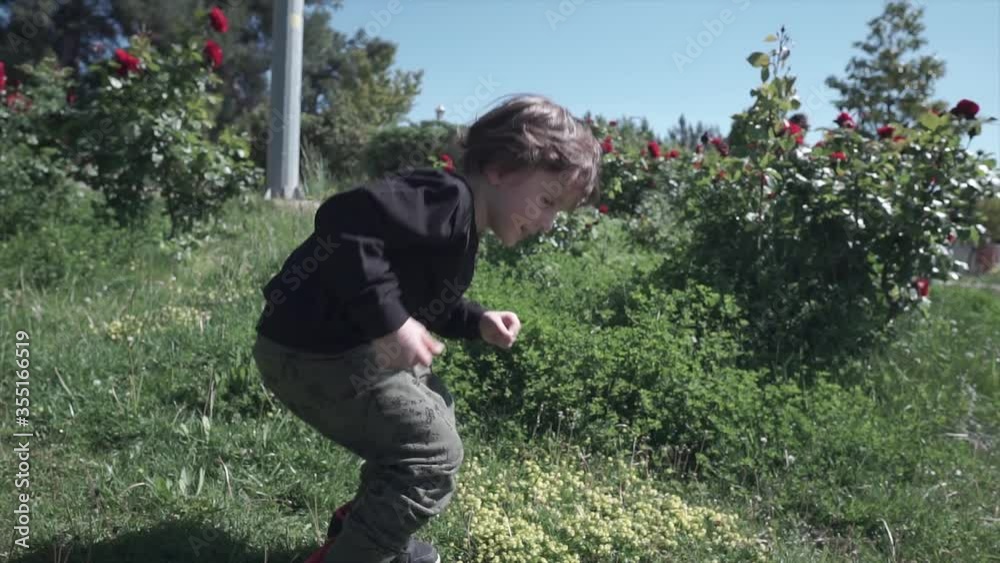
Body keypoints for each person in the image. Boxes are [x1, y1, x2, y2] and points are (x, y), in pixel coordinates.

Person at [251, 94, 602, 563]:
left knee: (435, 409)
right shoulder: (445, 198)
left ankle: (369, 526)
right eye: (545, 201)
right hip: (311, 352)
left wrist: (476, 320)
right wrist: (391, 321)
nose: (547, 222)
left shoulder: (459, 225)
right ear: (499, 168)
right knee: (433, 455)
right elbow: (344, 221)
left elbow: (426, 299)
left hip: (330, 351)